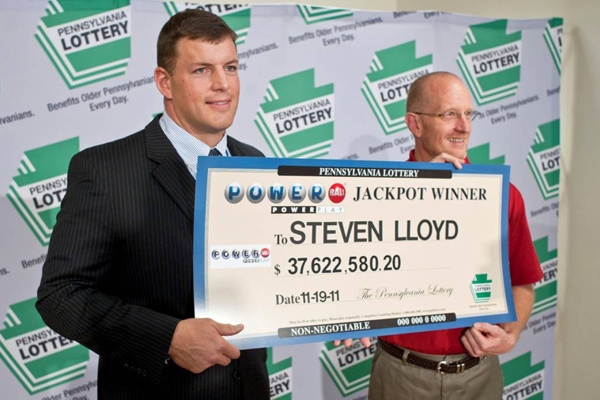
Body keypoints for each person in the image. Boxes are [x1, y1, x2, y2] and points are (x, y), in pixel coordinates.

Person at [36, 10, 269, 400]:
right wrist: (168, 338)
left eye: (230, 67)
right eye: (202, 70)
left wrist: (337, 313)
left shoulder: (256, 163)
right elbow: (61, 295)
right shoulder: (105, 170)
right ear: (165, 82)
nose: (223, 84)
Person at [350, 71, 542, 400]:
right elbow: (351, 276)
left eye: (468, 114)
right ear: (415, 124)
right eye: (449, 114)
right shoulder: (378, 195)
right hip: (400, 376)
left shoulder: (502, 195)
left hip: (479, 375)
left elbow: (523, 281)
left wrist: (511, 335)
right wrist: (424, 191)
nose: (464, 126)